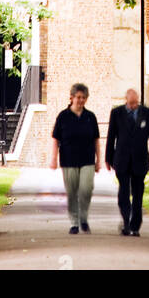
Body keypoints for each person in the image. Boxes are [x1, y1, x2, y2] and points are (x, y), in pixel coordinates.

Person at [103, 87, 149, 236]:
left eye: (135, 103)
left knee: (138, 193)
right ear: (126, 101)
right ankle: (126, 222)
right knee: (123, 192)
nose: (133, 106)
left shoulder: (147, 114)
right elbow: (111, 137)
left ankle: (135, 225)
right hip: (122, 159)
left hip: (139, 159)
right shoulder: (117, 113)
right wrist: (108, 158)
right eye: (131, 103)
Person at [50, 82, 100, 234]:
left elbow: (96, 140)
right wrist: (53, 159)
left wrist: (99, 160)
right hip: (68, 159)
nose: (81, 100)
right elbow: (55, 139)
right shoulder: (63, 117)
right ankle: (74, 222)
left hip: (87, 159)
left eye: (84, 97)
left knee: (86, 189)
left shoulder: (90, 117)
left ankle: (83, 218)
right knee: (71, 192)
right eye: (78, 97)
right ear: (71, 98)